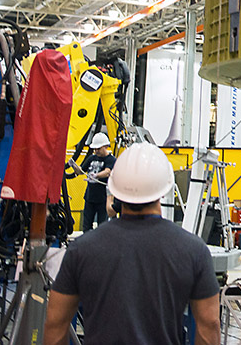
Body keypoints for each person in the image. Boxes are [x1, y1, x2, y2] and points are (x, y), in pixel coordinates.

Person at [44, 143, 220, 345]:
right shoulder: (194, 251)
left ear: (115, 189)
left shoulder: (81, 250)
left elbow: (55, 323)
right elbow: (209, 324)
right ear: (164, 189)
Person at [68, 132, 116, 231]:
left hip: (103, 199)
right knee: (86, 225)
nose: (96, 151)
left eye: (98, 149)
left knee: (102, 226)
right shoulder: (91, 158)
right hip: (90, 197)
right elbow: (81, 171)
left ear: (106, 146)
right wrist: (73, 166)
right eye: (95, 149)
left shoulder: (111, 160)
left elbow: (108, 171)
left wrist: (96, 175)